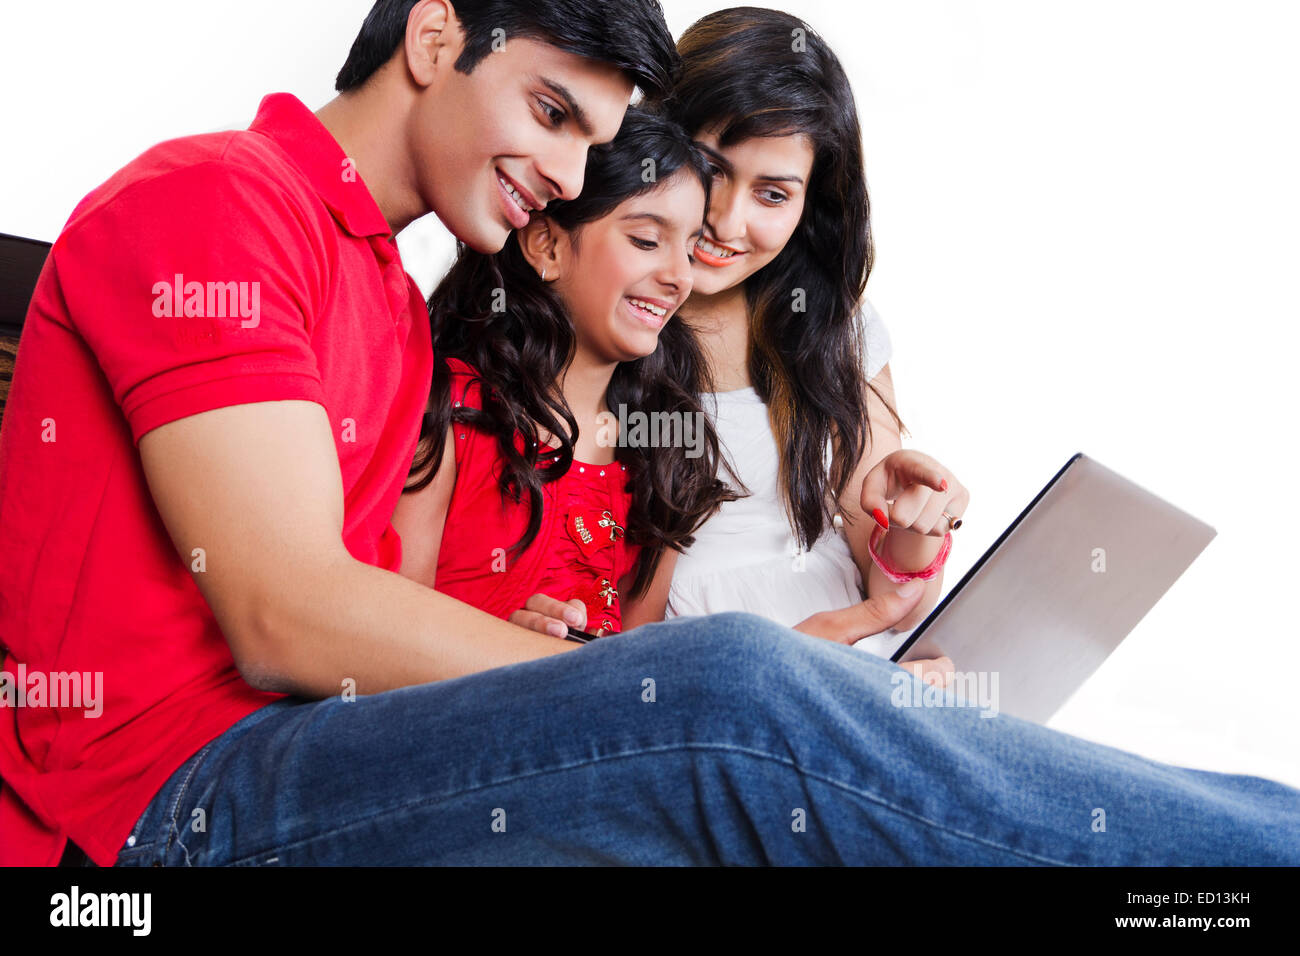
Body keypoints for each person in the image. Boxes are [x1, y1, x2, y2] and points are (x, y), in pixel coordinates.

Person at [3, 1, 1296, 868]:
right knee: (730, 692)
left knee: (769, 716)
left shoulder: (391, 309)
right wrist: (597, 689)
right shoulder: (216, 202)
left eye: (597, 143)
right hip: (157, 815)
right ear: (438, 32)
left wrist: (565, 684)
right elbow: (285, 617)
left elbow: (372, 626)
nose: (569, 173)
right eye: (552, 113)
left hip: (296, 758)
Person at [627, 9, 968, 661]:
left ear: (812, 205)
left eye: (774, 195)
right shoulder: (607, 313)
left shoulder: (834, 329)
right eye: (710, 169)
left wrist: (915, 529)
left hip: (855, 655)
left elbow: (895, 595)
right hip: (708, 670)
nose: (727, 222)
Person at [393, 108, 735, 637]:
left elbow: (642, 666)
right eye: (647, 241)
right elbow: (389, 637)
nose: (678, 277)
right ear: (547, 245)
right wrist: (510, 655)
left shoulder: (664, 450)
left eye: (690, 249)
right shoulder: (449, 411)